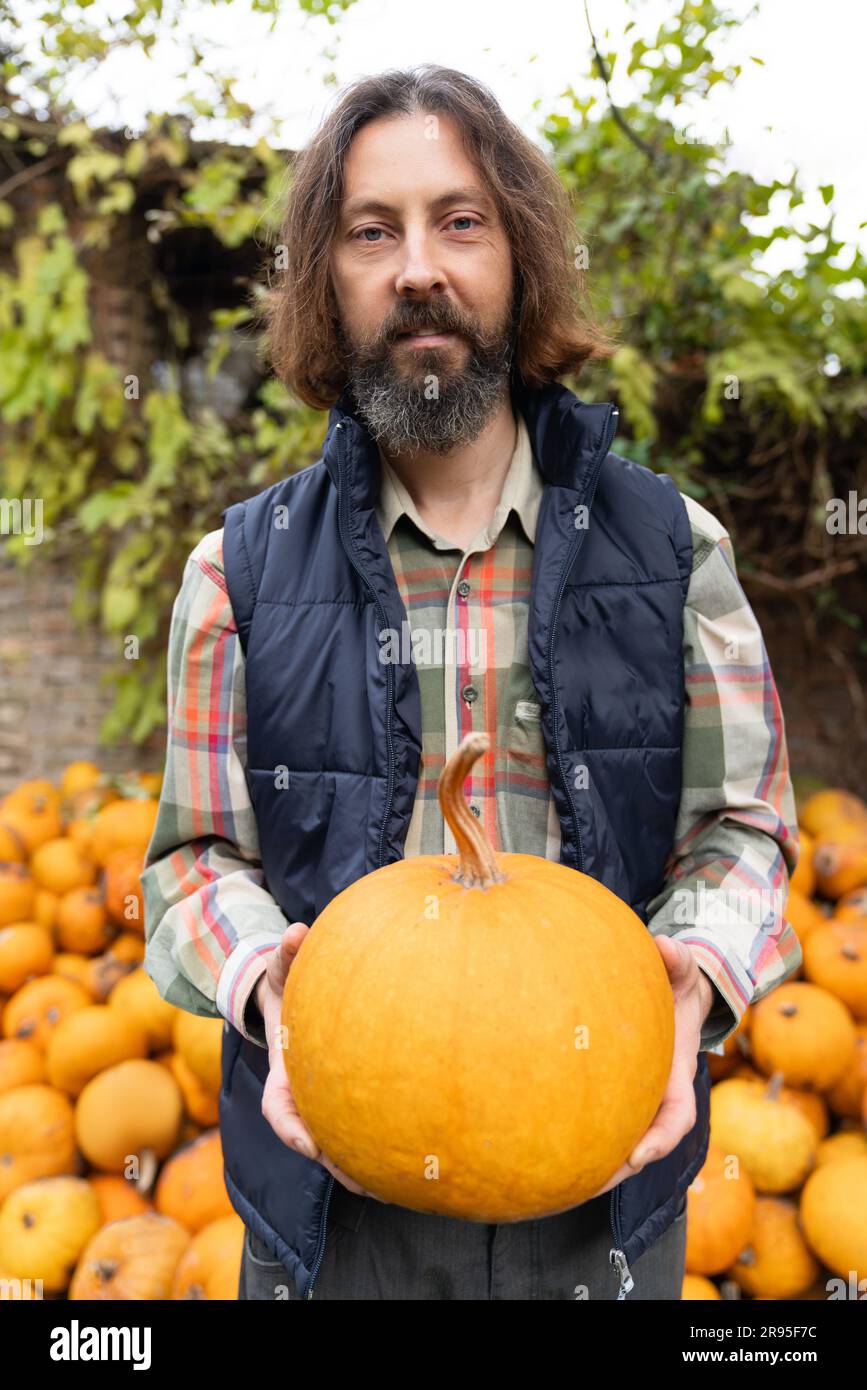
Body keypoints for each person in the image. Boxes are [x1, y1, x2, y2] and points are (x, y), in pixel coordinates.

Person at [141, 63, 801, 1301]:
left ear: (522, 258)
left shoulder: (673, 551)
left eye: (460, 221)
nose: (418, 269)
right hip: (329, 1210)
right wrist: (269, 982)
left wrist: (689, 979)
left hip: (607, 1189)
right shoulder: (236, 573)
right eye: (371, 232)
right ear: (328, 282)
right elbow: (188, 862)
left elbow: (746, 827)